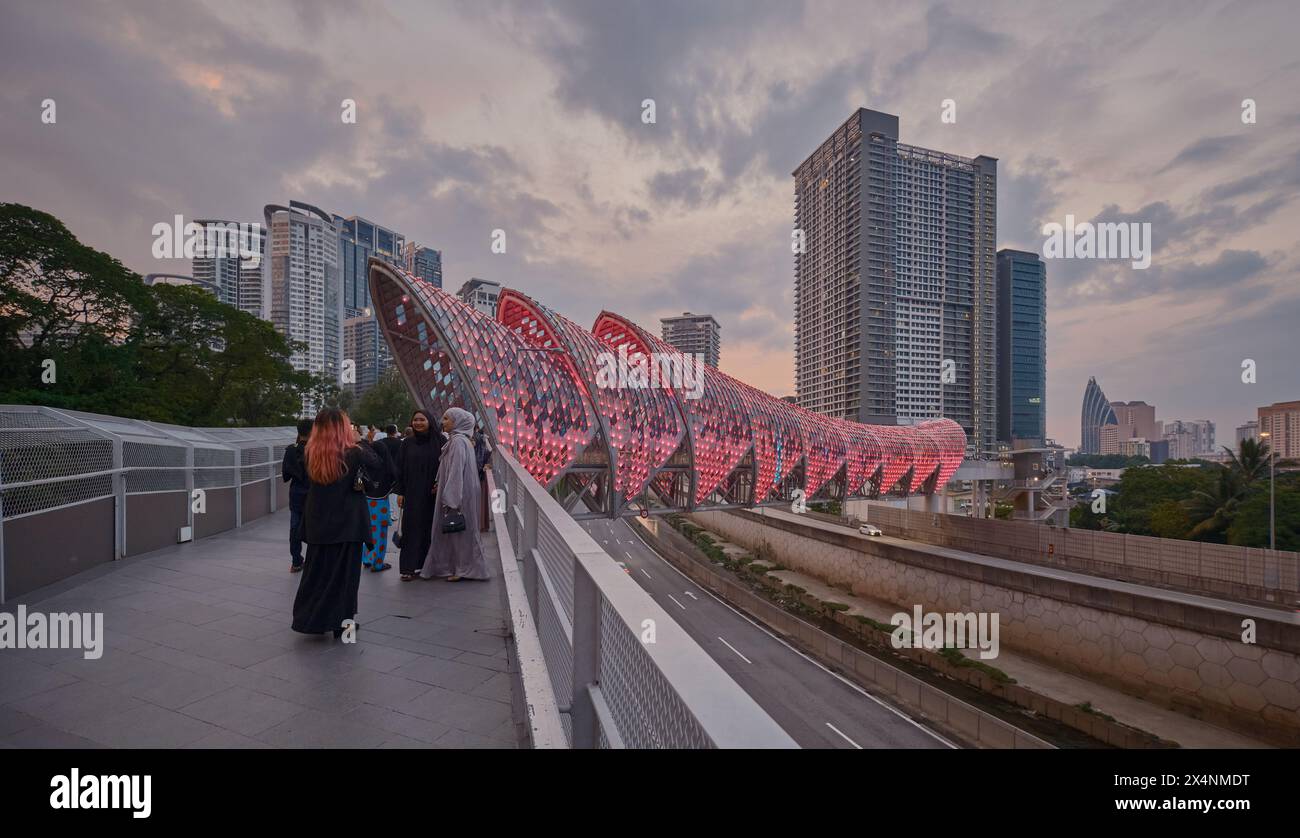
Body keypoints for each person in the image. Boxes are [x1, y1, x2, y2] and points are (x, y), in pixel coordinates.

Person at [292, 408, 383, 637]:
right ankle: (343, 625)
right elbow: (378, 464)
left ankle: (312, 620)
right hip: (348, 522)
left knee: (317, 573)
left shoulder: (310, 452)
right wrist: (359, 439)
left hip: (318, 522)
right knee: (345, 577)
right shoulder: (354, 452)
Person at [421, 407, 489, 581]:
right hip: (464, 490)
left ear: (458, 422)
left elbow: (456, 470)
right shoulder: (461, 440)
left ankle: (462, 569)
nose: (442, 422)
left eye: (446, 419)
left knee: (459, 533)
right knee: (463, 531)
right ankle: (460, 567)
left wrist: (451, 497)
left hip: (459, 493)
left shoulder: (458, 442)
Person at [394, 409, 440, 582]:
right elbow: (399, 468)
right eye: (415, 420)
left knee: (429, 530)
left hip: (433, 494)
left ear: (429, 421)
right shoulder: (407, 443)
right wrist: (400, 492)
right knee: (411, 529)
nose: (418, 423)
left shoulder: (440, 442)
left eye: (422, 420)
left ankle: (427, 566)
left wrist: (440, 483)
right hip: (412, 493)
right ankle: (408, 567)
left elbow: (447, 467)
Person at [360, 425, 396, 573]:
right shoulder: (386, 468)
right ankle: (378, 562)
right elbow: (393, 482)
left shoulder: (366, 466)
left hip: (366, 502)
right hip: (381, 503)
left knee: (368, 532)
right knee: (380, 534)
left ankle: (367, 559)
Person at [281, 419, 313, 572]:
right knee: (315, 528)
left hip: (296, 494)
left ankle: (296, 561)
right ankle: (314, 561)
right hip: (314, 495)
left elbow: (286, 475)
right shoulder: (317, 450)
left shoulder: (291, 450)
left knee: (295, 528)